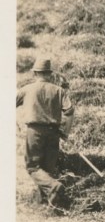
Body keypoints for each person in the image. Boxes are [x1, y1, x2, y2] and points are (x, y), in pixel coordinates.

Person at [16, 57, 74, 209]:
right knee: (47, 169)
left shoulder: (26, 89)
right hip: (54, 133)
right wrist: (65, 131)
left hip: (34, 132)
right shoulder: (59, 91)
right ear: (49, 73)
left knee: (33, 167)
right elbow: (69, 112)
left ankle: (54, 187)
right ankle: (43, 204)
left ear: (35, 73)